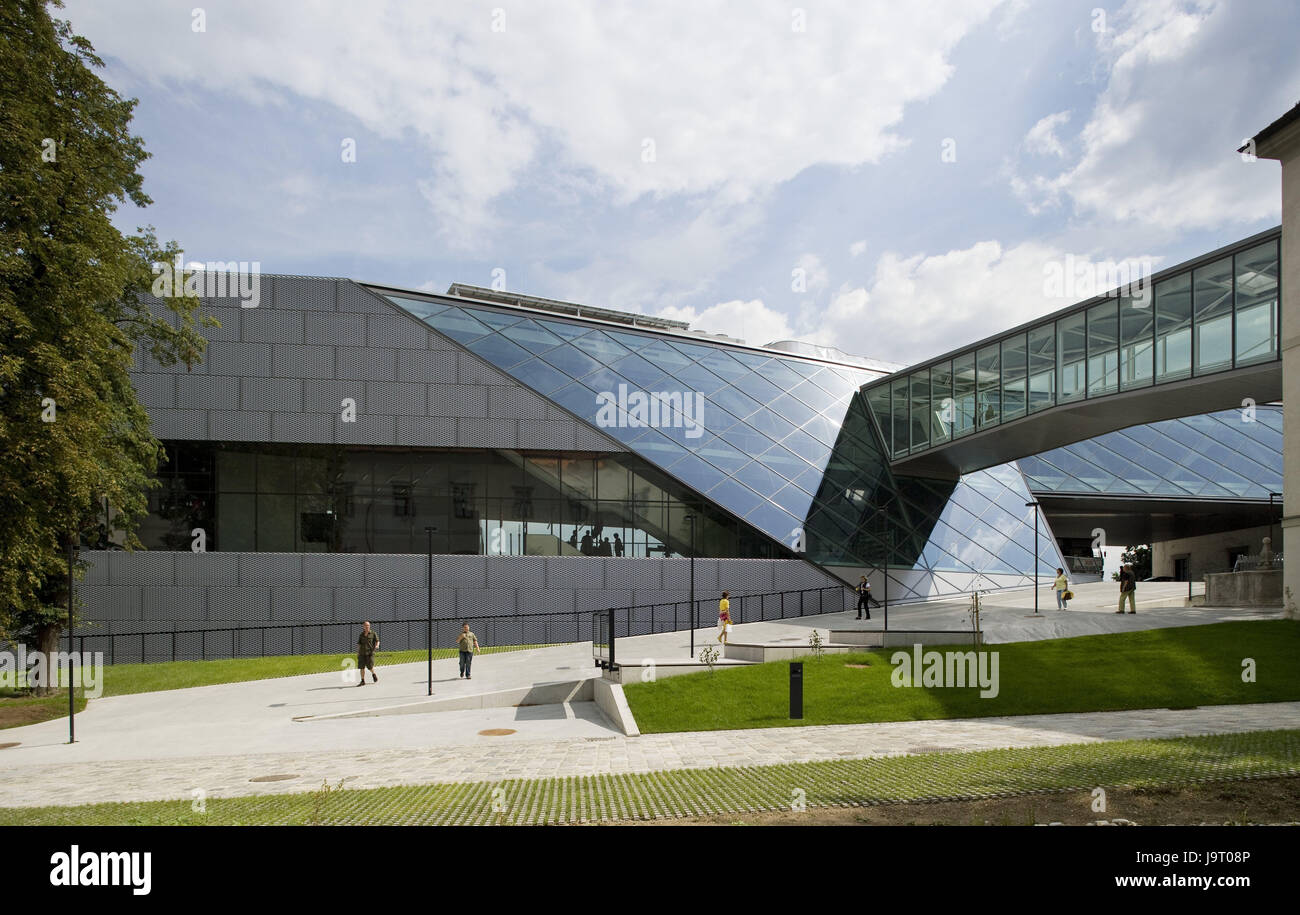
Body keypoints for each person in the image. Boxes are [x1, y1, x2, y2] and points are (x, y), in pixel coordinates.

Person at [356, 621, 379, 686]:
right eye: (365, 625)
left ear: (369, 626)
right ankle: (362, 681)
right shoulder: (361, 634)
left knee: (370, 666)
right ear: (363, 627)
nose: (367, 627)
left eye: (368, 625)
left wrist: (377, 645)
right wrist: (358, 652)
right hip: (362, 653)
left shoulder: (373, 633)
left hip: (370, 653)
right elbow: (359, 644)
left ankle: (373, 674)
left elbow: (377, 641)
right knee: (361, 667)